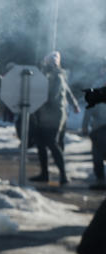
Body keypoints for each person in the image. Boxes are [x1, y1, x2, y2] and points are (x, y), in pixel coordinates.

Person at [29, 51, 80, 185]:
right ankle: (44, 174)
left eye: (51, 63)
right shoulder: (50, 75)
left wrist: (37, 102)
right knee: (40, 143)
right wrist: (74, 104)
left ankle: (63, 175)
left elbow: (53, 95)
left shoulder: (56, 76)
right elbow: (68, 91)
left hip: (54, 115)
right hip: (45, 115)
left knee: (52, 143)